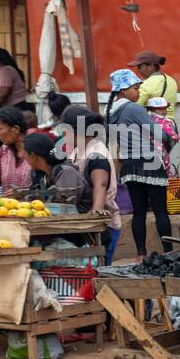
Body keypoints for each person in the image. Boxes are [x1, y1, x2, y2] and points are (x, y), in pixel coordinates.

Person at [107, 67, 170, 257]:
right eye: (135, 88)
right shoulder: (133, 108)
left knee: (139, 213)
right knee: (160, 211)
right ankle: (169, 252)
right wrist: (168, 137)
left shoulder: (110, 110)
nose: (138, 91)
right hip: (149, 162)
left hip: (129, 165)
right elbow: (157, 133)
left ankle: (140, 254)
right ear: (123, 90)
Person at [62, 109, 121, 264]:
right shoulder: (77, 150)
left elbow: (100, 186)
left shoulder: (96, 155)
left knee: (98, 274)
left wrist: (95, 214)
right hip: (85, 226)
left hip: (102, 229)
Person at [0, 106, 34, 190]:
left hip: (35, 202)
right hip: (7, 203)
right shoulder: (4, 150)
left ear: (15, 129)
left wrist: (24, 193)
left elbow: (48, 183)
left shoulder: (36, 149)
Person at [130, 50, 178, 119]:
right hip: (171, 125)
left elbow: (135, 109)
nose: (138, 70)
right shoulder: (172, 81)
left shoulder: (146, 84)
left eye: (140, 67)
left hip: (154, 125)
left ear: (150, 66)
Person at [0, 45, 30, 111]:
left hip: (18, 108)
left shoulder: (6, 71)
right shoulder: (5, 70)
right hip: (17, 107)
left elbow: (3, 93)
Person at [147, 95, 179, 175]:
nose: (164, 110)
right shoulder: (164, 122)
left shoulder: (147, 119)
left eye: (164, 108)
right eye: (160, 108)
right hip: (160, 149)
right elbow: (174, 136)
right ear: (152, 109)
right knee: (164, 166)